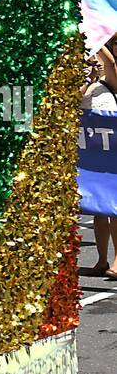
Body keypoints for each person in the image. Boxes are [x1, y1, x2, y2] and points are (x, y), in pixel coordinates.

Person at [81, 42, 117, 278]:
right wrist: (87, 77)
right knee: (97, 205)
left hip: (111, 144)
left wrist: (96, 40)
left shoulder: (111, 76)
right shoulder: (89, 82)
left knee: (114, 204)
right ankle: (102, 259)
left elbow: (111, 64)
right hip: (89, 144)